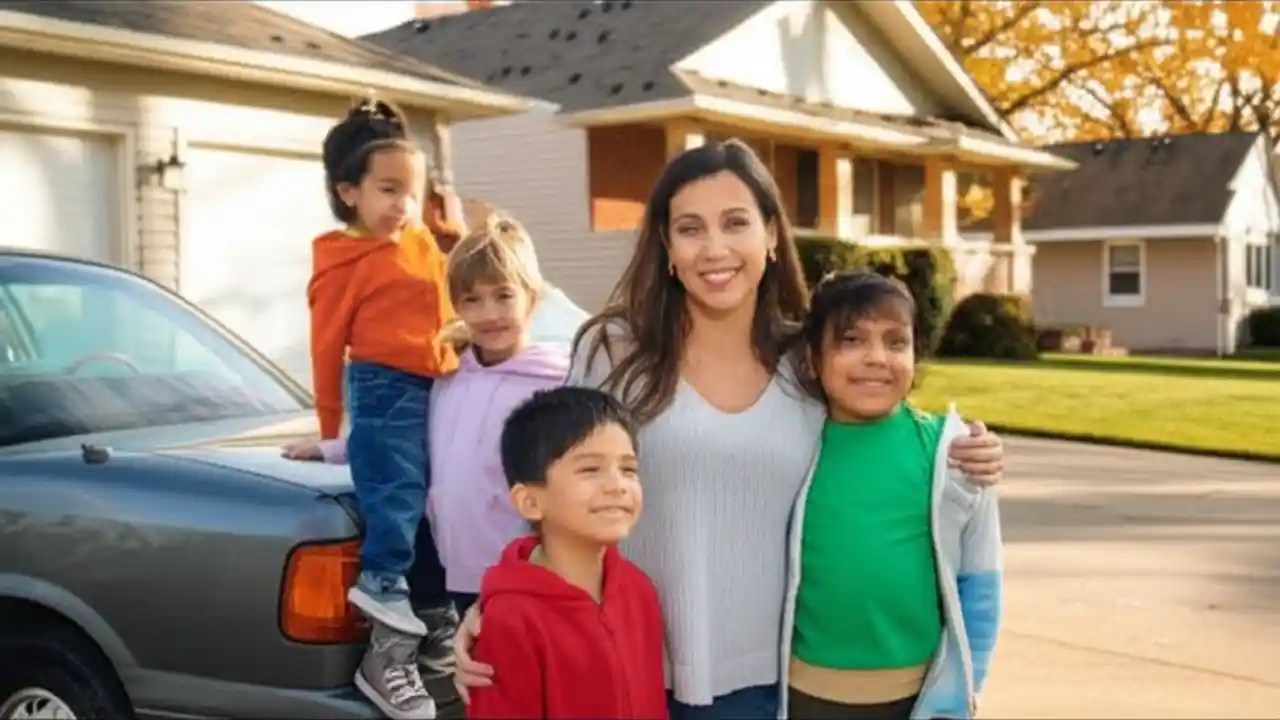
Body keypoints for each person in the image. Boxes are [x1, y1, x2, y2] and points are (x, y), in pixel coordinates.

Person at [451, 139, 1008, 720]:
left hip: (775, 685)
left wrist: (970, 447)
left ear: (770, 235)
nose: (714, 248)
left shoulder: (808, 362)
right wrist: (503, 600)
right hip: (627, 663)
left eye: (735, 223)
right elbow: (551, 484)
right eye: (691, 228)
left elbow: (886, 426)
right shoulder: (612, 349)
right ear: (667, 246)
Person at [307, 213, 571, 618]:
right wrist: (333, 449)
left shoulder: (556, 384)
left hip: (528, 572)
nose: (489, 313)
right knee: (472, 674)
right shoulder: (448, 381)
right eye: (472, 300)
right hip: (459, 575)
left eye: (503, 295)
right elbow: (406, 441)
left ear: (531, 297)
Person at [781, 272, 1002, 720]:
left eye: (896, 342)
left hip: (919, 698)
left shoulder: (952, 454)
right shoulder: (788, 446)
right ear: (811, 360)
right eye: (852, 340)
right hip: (804, 693)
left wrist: (967, 687)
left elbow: (981, 584)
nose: (877, 358)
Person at [308, 98, 460, 719]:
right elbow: (324, 346)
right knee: (395, 507)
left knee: (435, 507)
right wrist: (327, 431)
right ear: (349, 192)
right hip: (383, 389)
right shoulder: (341, 259)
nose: (403, 205)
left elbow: (443, 285)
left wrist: (450, 233)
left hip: (438, 388)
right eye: (388, 190)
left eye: (413, 191)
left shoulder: (421, 238)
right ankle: (384, 656)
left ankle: (433, 627)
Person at [467, 386, 668, 720]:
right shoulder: (510, 619)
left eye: (629, 469)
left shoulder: (639, 590)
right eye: (590, 469)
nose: (617, 484)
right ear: (531, 502)